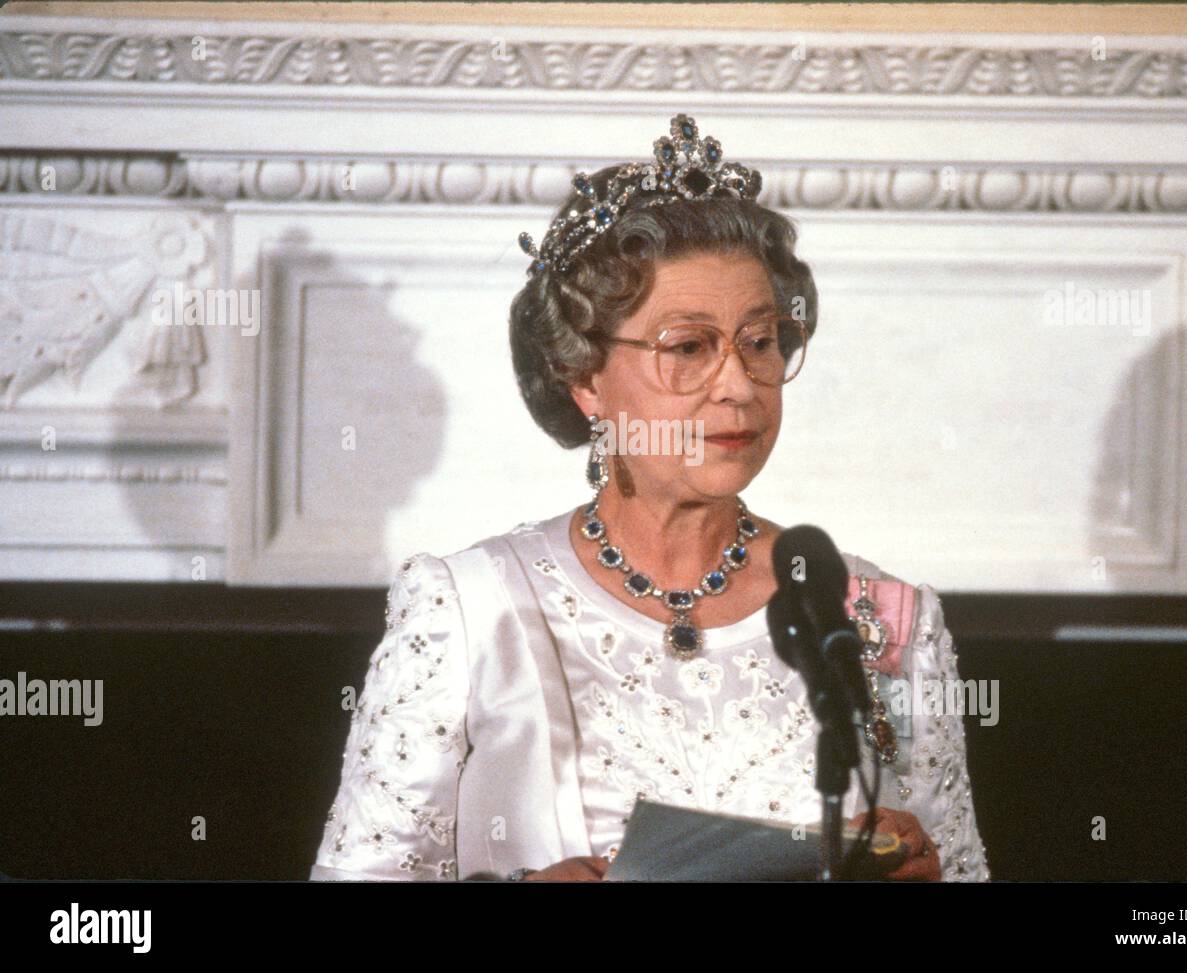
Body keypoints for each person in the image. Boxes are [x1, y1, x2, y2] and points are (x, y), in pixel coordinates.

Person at [310, 113, 990, 882]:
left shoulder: (882, 616)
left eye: (760, 341)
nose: (738, 386)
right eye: (688, 346)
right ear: (584, 376)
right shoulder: (466, 612)